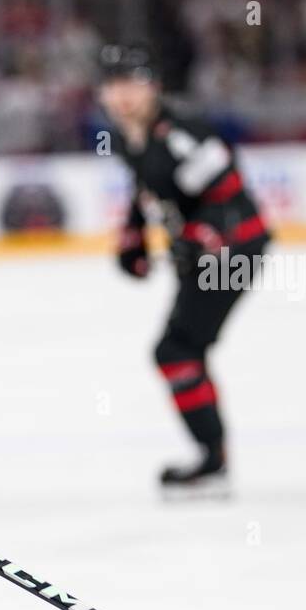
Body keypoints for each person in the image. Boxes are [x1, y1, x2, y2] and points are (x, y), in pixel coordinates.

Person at [99, 42, 271, 493]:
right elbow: (148, 188)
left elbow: (228, 194)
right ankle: (213, 459)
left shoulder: (181, 132)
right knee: (180, 350)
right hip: (215, 250)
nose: (123, 96)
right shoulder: (128, 136)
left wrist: (203, 238)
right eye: (114, 86)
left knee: (177, 350)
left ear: (153, 86)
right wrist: (134, 236)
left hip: (237, 250)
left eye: (132, 84)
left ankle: (213, 463)